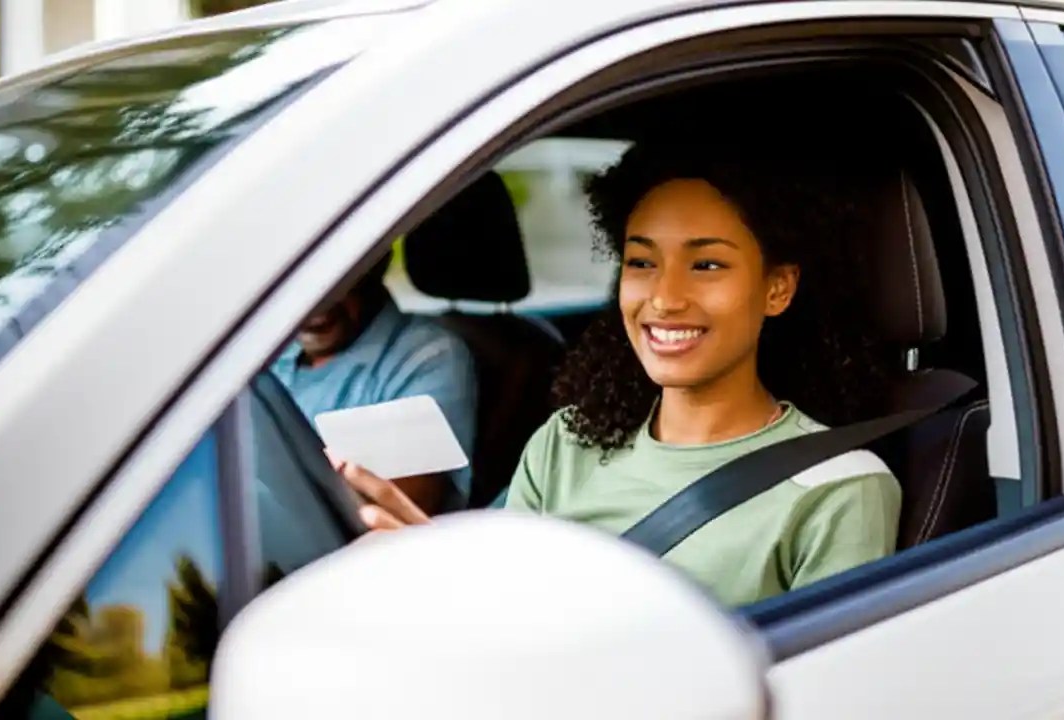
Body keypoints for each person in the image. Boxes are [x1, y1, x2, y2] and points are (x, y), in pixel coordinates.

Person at [335, 138, 902, 606]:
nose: (665, 297)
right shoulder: (566, 441)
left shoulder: (839, 489)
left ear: (777, 288)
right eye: (641, 263)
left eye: (706, 265)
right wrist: (429, 568)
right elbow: (502, 611)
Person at [273, 255, 477, 515]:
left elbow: (398, 510)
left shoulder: (424, 357)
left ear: (371, 269)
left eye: (334, 283)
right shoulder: (269, 350)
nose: (315, 302)